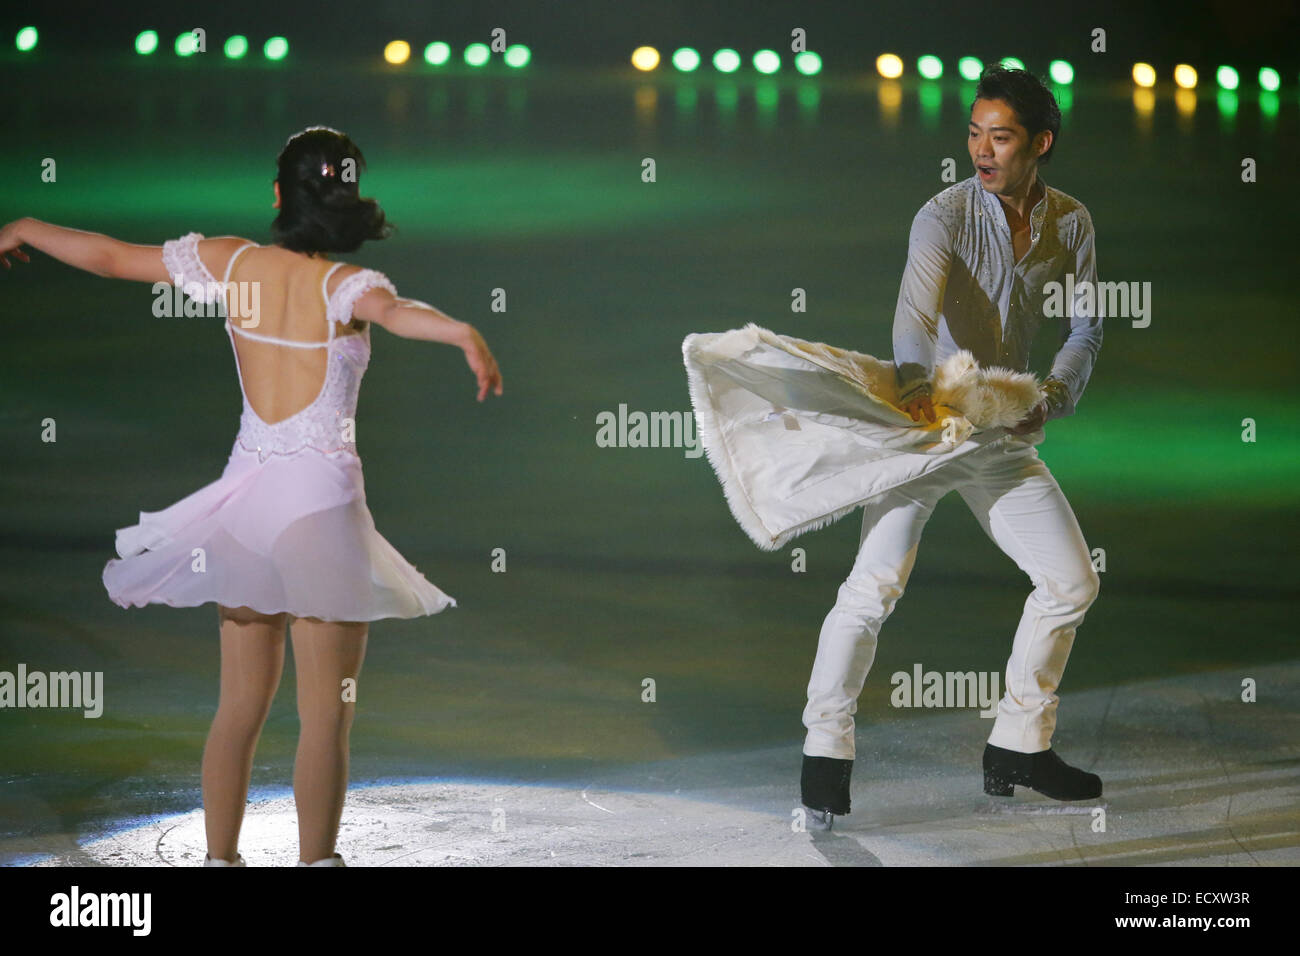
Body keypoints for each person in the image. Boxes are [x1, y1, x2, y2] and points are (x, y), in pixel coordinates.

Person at [0, 126, 503, 865]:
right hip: (319, 513)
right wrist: (463, 332)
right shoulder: (347, 290)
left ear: (277, 195)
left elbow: (109, 257)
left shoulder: (228, 262)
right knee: (325, 719)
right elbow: (400, 315)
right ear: (342, 197)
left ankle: (220, 861)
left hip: (244, 507)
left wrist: (20, 226)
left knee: (237, 709)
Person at [800, 67, 1104, 828]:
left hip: (1002, 435)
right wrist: (911, 386)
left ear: (1041, 143)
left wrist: (1051, 397)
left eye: (999, 136)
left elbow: (1087, 326)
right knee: (873, 588)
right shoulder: (941, 215)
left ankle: (1017, 745)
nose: (981, 149)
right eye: (973, 133)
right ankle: (824, 754)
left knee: (1071, 581)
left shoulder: (1072, 223)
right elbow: (912, 317)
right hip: (930, 429)